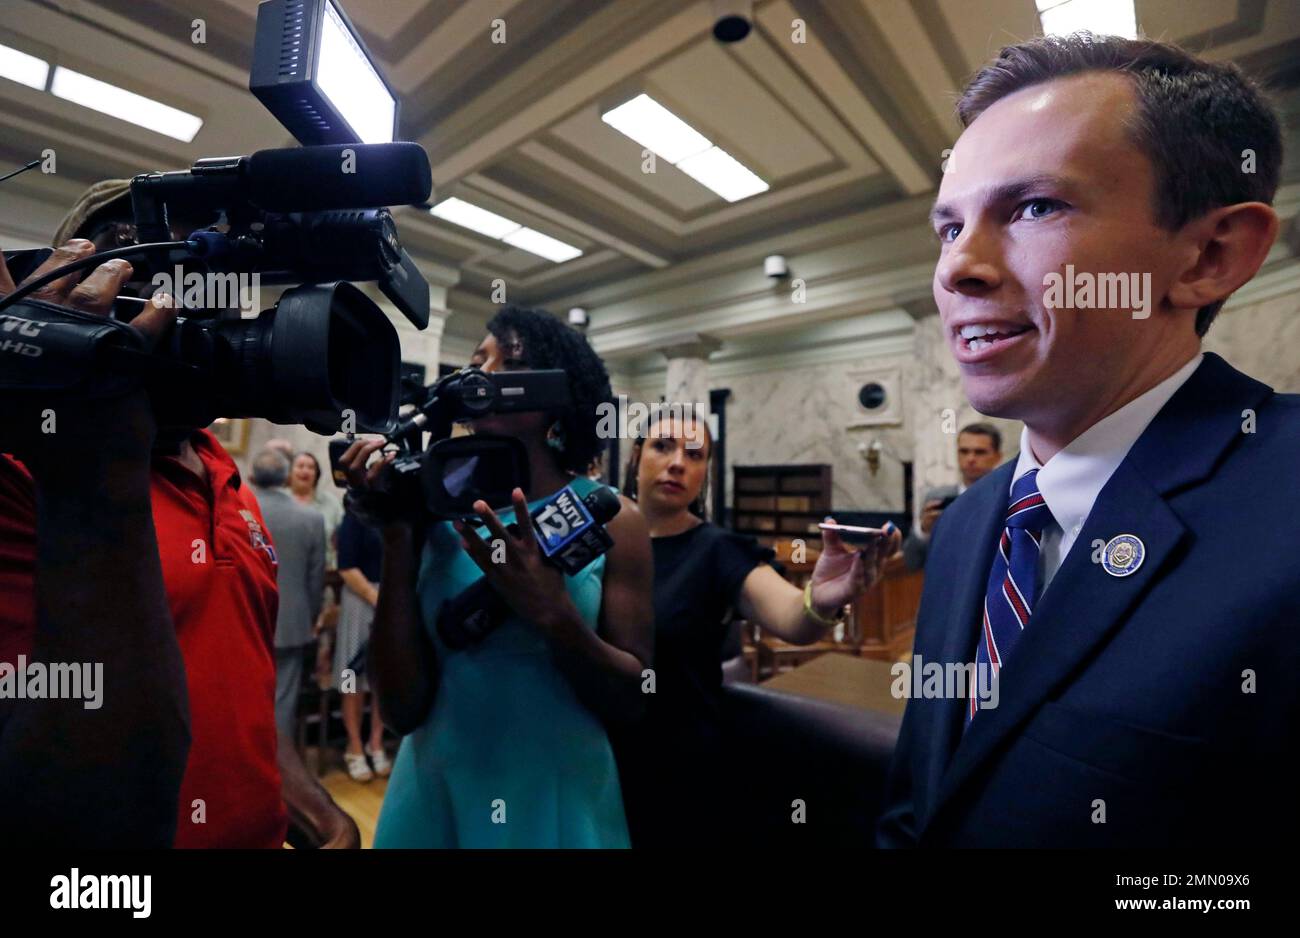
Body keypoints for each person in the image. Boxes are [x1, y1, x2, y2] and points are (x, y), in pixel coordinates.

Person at [878, 33, 1298, 848]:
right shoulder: (969, 523)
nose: (957, 268)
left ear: (1209, 255)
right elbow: (921, 804)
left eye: (1034, 206)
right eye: (947, 226)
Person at [1, 181, 358, 847]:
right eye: (130, 256)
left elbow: (233, 687)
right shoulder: (23, 473)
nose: (180, 287)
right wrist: (90, 474)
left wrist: (311, 806)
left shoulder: (230, 477)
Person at [339, 305, 654, 848]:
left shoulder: (615, 517)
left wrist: (551, 613)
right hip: (437, 789)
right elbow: (400, 710)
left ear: (553, 390)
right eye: (475, 360)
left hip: (557, 793)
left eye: (505, 362)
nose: (475, 376)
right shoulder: (435, 513)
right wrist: (397, 534)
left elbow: (634, 698)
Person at [613, 411, 901, 846]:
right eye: (662, 447)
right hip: (592, 751)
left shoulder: (717, 550)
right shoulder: (598, 538)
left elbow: (792, 617)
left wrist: (821, 600)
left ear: (704, 473)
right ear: (636, 457)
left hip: (678, 766)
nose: (677, 463)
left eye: (694, 455)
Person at [250, 448, 326, 736]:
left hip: (245, 616)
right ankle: (278, 763)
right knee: (282, 698)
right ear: (286, 478)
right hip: (292, 619)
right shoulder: (311, 517)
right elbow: (315, 577)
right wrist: (312, 615)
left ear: (252, 476)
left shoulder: (235, 510)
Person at [332, 507, 389, 781]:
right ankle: (354, 746)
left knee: (385, 677)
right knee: (351, 679)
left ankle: (375, 742)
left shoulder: (393, 515)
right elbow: (346, 566)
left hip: (391, 598)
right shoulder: (355, 515)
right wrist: (374, 597)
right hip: (359, 598)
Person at [902, 423, 1002, 570]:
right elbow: (911, 562)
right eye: (964, 451)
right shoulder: (937, 499)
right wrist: (924, 531)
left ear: (997, 457)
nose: (971, 458)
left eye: (979, 452)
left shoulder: (1008, 498)